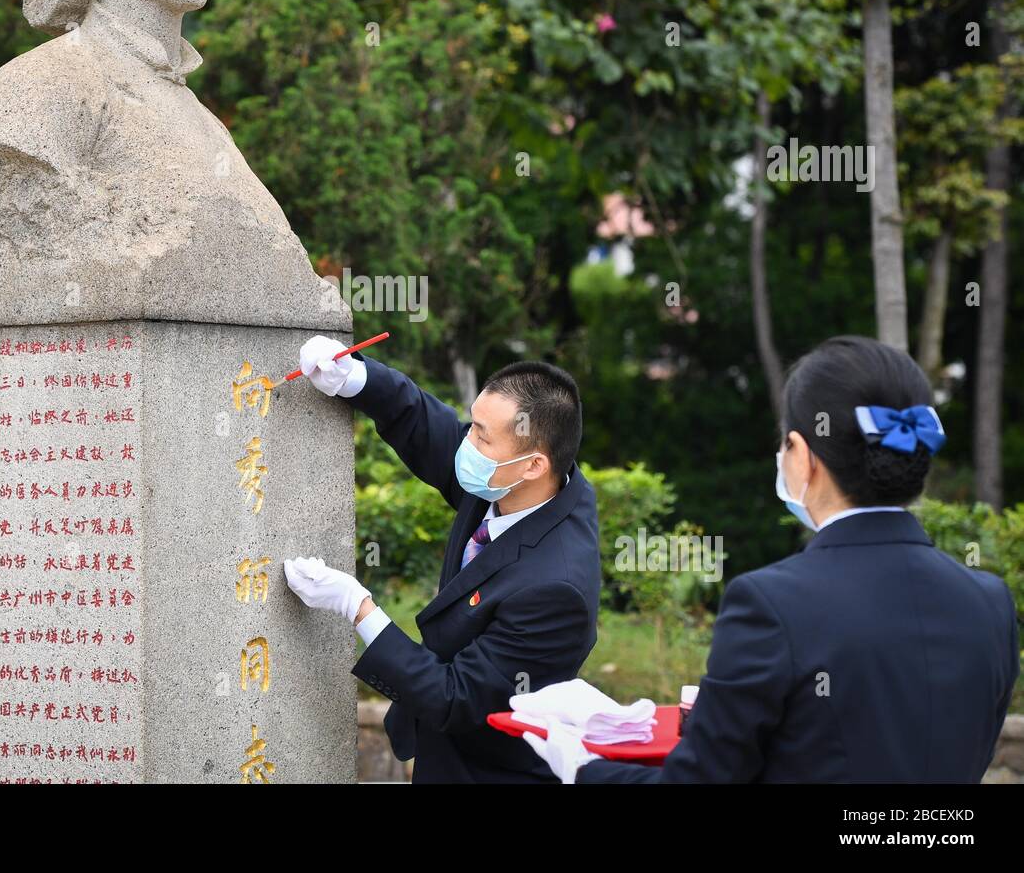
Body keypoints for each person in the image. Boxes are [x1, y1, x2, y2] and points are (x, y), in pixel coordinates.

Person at [526, 335, 1019, 784]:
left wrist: (583, 768)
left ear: (802, 455)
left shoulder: (771, 603)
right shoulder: (990, 601)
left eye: (783, 443)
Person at [284, 336, 599, 783]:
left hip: (491, 769)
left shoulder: (555, 590)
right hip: (440, 746)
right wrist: (356, 378)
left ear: (534, 465)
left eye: (481, 438)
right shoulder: (524, 484)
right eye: (473, 424)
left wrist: (358, 609)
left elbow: (455, 697)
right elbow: (432, 431)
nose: (466, 444)